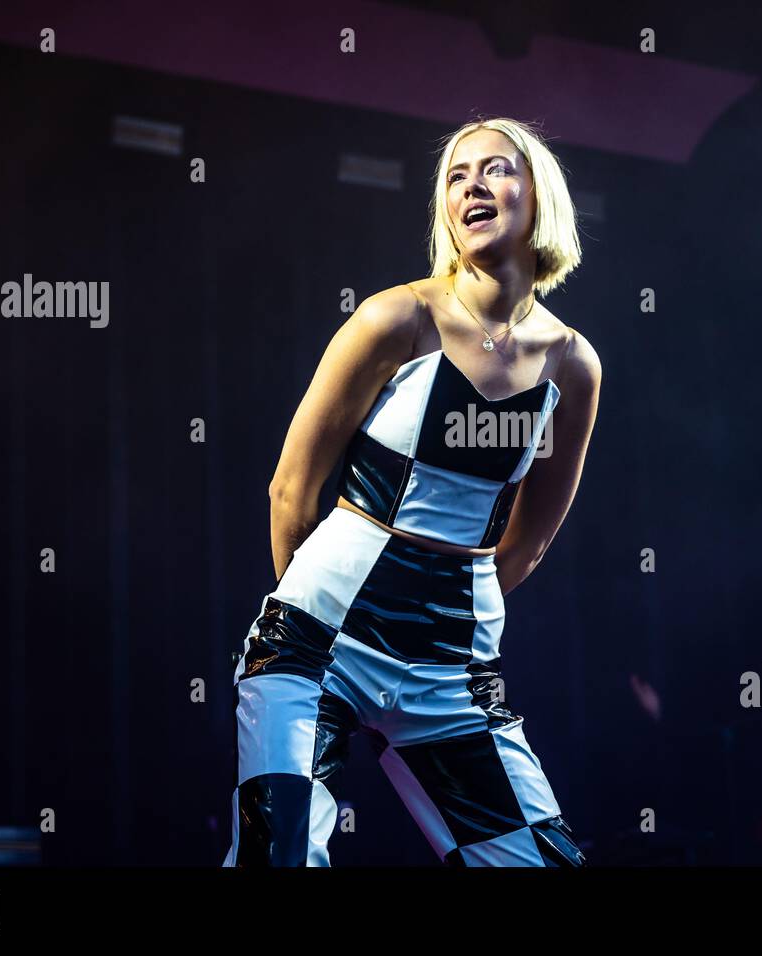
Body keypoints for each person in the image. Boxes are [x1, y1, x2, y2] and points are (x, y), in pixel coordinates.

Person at [221, 117, 602, 867]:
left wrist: (442, 612)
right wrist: (321, 620)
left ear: (538, 196)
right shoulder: (395, 317)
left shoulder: (572, 363)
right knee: (283, 857)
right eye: (457, 176)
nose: (473, 187)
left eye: (496, 169)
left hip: (449, 667)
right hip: (318, 639)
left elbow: (529, 542)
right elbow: (291, 491)